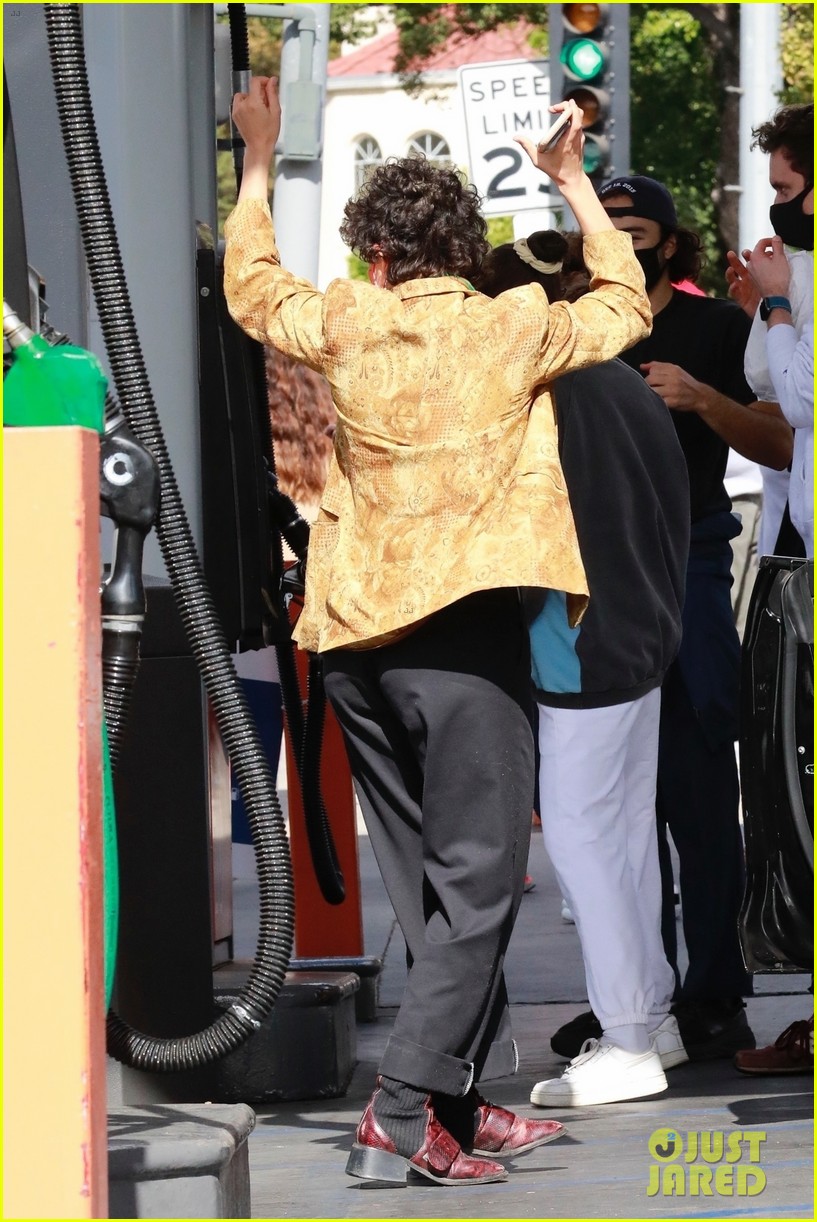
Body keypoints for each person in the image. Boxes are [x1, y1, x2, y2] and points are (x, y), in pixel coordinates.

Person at [224, 78, 652, 1187]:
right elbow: (624, 300)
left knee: (427, 888)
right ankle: (406, 1105)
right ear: (467, 249)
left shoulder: (348, 319)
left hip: (359, 641)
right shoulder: (513, 325)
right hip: (466, 642)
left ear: (371, 255)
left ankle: (455, 1097)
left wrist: (260, 160)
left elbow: (251, 285)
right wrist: (568, 185)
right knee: (481, 882)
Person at [549, 174, 793, 1066]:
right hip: (587, 585)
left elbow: (778, 441)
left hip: (687, 567)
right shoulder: (568, 330)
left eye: (638, 228)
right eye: (604, 228)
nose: (622, 239)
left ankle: (714, 993)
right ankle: (632, 1000)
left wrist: (700, 398)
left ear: (669, 241)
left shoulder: (712, 328)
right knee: (608, 808)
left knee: (696, 791)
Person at [477, 231, 690, 1106]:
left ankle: (632, 1040)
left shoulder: (549, 395)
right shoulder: (624, 382)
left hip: (582, 644)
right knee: (627, 836)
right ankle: (650, 1018)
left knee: (581, 837)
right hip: (642, 636)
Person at [731, 102, 813, 1078]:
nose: (777, 210)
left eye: (787, 190)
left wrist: (784, 302)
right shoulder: (794, 274)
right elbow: (763, 378)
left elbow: (796, 402)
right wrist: (771, 302)